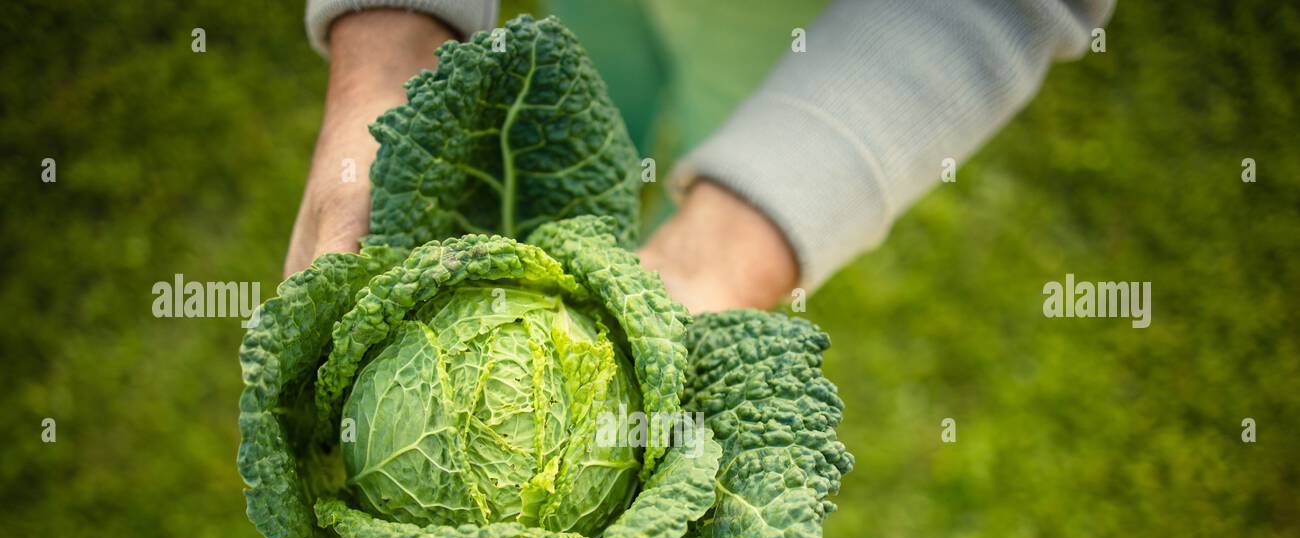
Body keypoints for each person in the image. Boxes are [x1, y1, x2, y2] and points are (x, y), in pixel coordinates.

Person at [287, 0, 1114, 313]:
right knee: (569, 116)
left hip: (808, 29)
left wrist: (745, 236)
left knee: (743, 135)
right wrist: (388, 52)